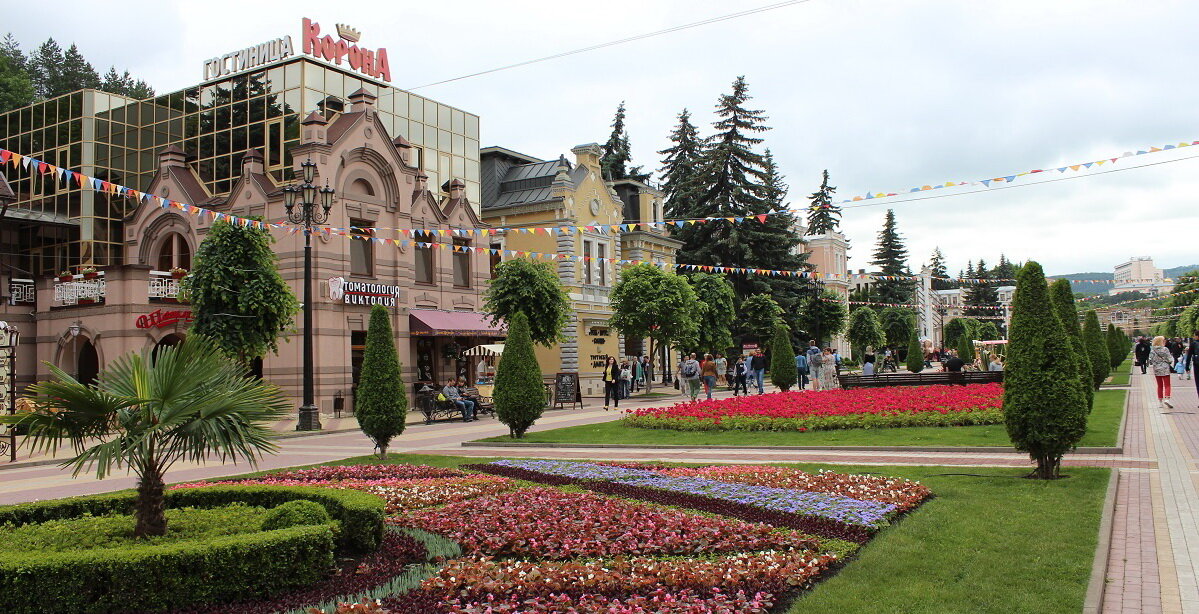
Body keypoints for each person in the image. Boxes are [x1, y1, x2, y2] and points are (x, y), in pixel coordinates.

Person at [1149, 336, 1175, 409]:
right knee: (1167, 385)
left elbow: (1150, 360)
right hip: (1165, 368)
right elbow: (1170, 359)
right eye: (1163, 340)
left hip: (1156, 369)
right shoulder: (1165, 349)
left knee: (1159, 385)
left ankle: (1160, 402)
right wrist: (1167, 361)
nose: (1165, 341)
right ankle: (1167, 399)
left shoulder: (1152, 350)